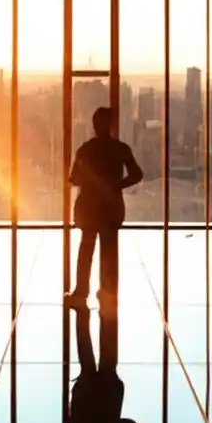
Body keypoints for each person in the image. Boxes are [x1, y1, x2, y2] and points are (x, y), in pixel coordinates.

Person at [66, 107, 143, 310]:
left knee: (86, 248)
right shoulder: (121, 148)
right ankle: (108, 290)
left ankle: (81, 290)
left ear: (94, 125)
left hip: (89, 206)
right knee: (108, 249)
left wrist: (91, 181)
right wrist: (116, 185)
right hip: (111, 206)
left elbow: (74, 178)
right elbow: (137, 174)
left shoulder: (85, 149)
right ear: (110, 125)